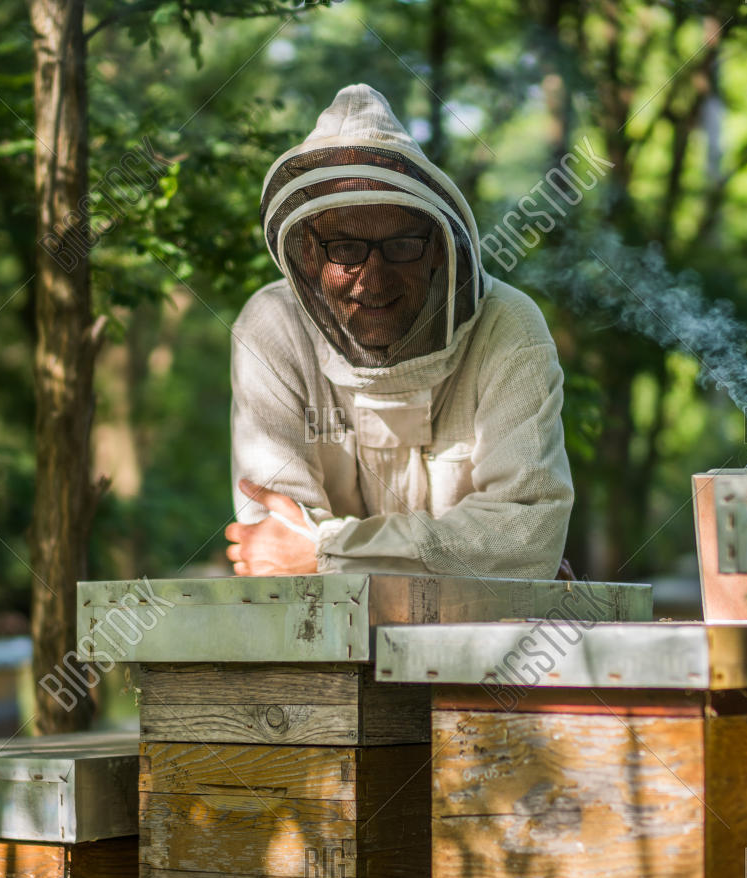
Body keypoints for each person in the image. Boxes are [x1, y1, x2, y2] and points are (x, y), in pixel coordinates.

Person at [223, 84, 573, 578]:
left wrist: (329, 551)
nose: (374, 278)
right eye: (344, 247)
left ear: (435, 248)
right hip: (314, 648)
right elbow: (275, 543)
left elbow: (528, 530)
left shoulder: (506, 327)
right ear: (307, 252)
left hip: (486, 639)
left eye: (401, 244)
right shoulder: (273, 330)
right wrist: (458, 554)